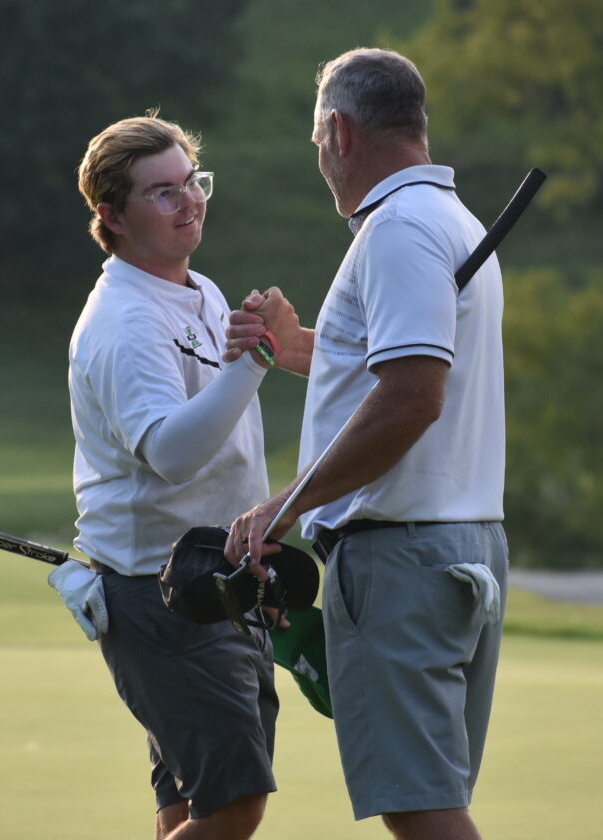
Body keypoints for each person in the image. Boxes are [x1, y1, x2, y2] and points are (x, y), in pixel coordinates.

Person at [224, 49, 509, 840]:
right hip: (457, 543)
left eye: (316, 139)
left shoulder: (398, 230)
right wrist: (298, 348)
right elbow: (398, 371)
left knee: (422, 809)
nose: (318, 155)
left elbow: (412, 399)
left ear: (339, 131)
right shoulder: (447, 220)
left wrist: (289, 501)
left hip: (403, 557)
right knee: (429, 800)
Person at [71, 112, 295, 840]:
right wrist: (253, 362)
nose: (189, 202)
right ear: (111, 214)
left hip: (214, 583)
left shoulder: (197, 288)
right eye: (161, 193)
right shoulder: (124, 320)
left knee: (189, 810)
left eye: (192, 183)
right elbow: (170, 452)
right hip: (159, 593)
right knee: (234, 806)